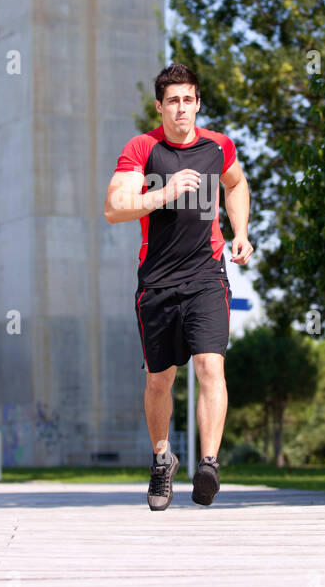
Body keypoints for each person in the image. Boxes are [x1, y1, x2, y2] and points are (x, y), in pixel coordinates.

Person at [104, 63, 253, 511]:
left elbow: (237, 182)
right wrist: (164, 193)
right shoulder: (143, 148)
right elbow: (114, 207)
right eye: (173, 100)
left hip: (207, 274)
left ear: (198, 103)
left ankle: (208, 464)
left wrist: (240, 231)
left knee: (211, 366)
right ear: (160, 106)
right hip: (157, 282)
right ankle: (162, 458)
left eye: (188, 99)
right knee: (159, 380)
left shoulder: (217, 146)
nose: (181, 108)